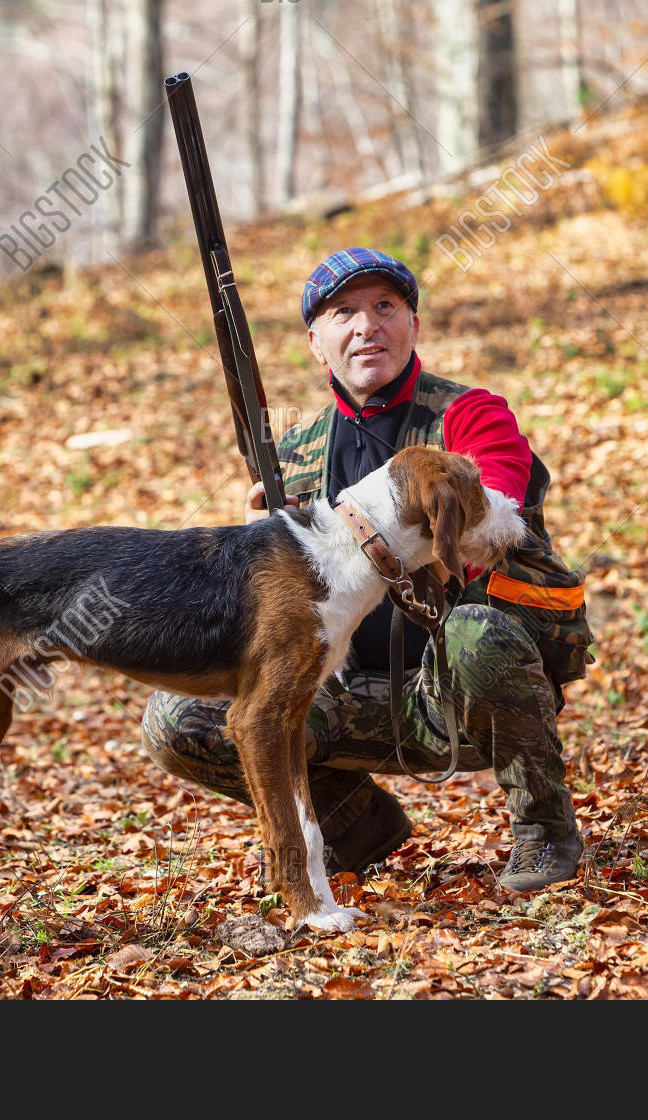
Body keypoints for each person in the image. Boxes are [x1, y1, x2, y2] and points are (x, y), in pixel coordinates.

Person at [141, 247, 594, 892]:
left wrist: (359, 532)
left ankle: (544, 830)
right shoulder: (294, 454)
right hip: (343, 690)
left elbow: (488, 521)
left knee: (478, 634)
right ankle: (354, 823)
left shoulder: (469, 416)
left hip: (459, 686)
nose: (366, 326)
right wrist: (265, 547)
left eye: (386, 307)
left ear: (414, 325)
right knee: (178, 716)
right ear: (316, 343)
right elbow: (275, 610)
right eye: (344, 313)